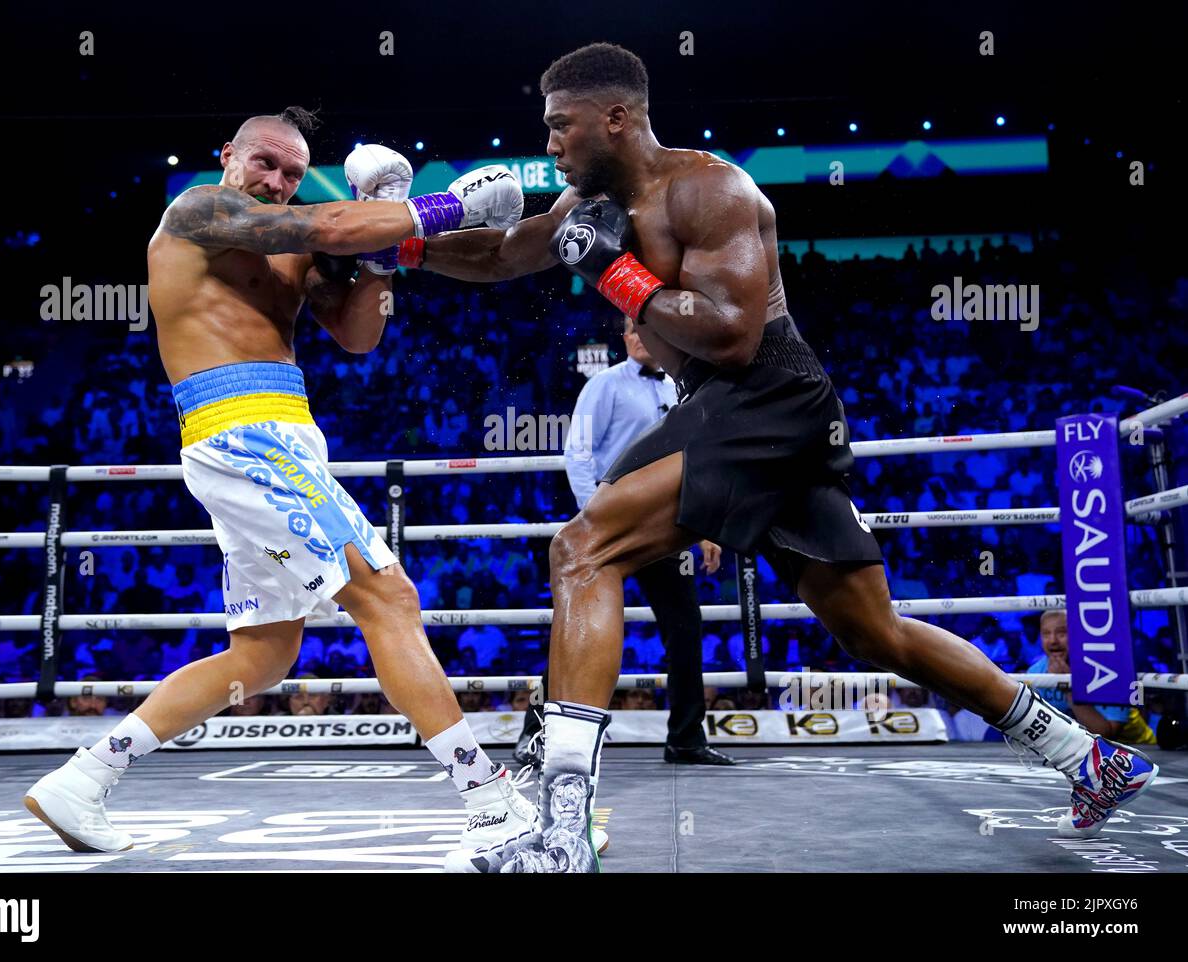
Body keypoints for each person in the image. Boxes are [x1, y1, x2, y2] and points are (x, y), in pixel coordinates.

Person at [403, 44, 1157, 871]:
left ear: (615, 117)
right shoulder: (594, 199)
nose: (549, 145)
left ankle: (562, 824)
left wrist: (614, 274)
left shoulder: (710, 189)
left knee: (584, 549)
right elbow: (504, 254)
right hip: (741, 414)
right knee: (875, 632)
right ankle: (1090, 759)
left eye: (559, 126)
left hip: (766, 395)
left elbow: (730, 335)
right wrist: (402, 247)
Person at [24, 108, 533, 865]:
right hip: (244, 432)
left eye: (293, 175)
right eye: (264, 163)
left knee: (261, 656)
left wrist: (387, 252)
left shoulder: (296, 246)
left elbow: (359, 335)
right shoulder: (198, 210)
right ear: (228, 155)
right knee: (386, 595)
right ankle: (488, 800)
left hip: (277, 435)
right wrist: (442, 204)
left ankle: (82, 779)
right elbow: (328, 228)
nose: (277, 182)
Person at [515, 314, 735, 766]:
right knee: (580, 628)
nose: (633, 337)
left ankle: (686, 738)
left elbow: (698, 458)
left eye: (641, 329)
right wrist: (592, 520)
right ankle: (535, 734)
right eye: (629, 330)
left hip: (665, 527)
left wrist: (708, 525)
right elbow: (577, 453)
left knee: (685, 626)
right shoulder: (606, 384)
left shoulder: (683, 386)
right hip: (610, 528)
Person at [1028, 610, 1156, 745]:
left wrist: (1067, 687)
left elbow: (1106, 736)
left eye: (1062, 633)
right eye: (1046, 634)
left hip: (1137, 748)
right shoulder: (1035, 673)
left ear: (1078, 634)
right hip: (1073, 750)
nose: (1053, 640)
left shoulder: (1109, 670)